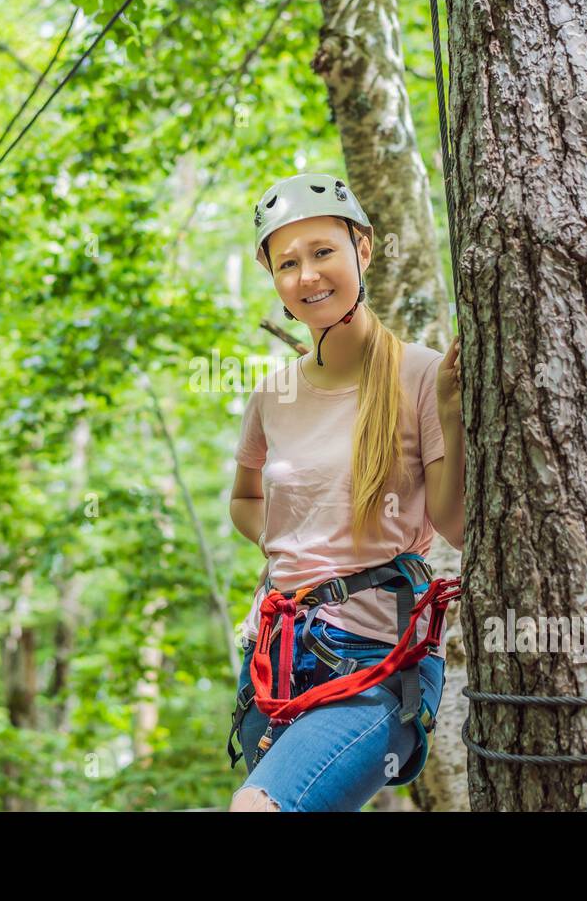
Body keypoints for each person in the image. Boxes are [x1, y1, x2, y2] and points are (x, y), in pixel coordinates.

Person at [227, 172, 465, 812]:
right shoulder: (272, 394)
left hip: (376, 658)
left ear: (363, 249)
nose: (307, 275)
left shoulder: (419, 374)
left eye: (323, 251)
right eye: (287, 263)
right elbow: (245, 502)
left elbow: (457, 523)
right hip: (277, 658)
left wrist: (450, 409)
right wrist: (292, 544)